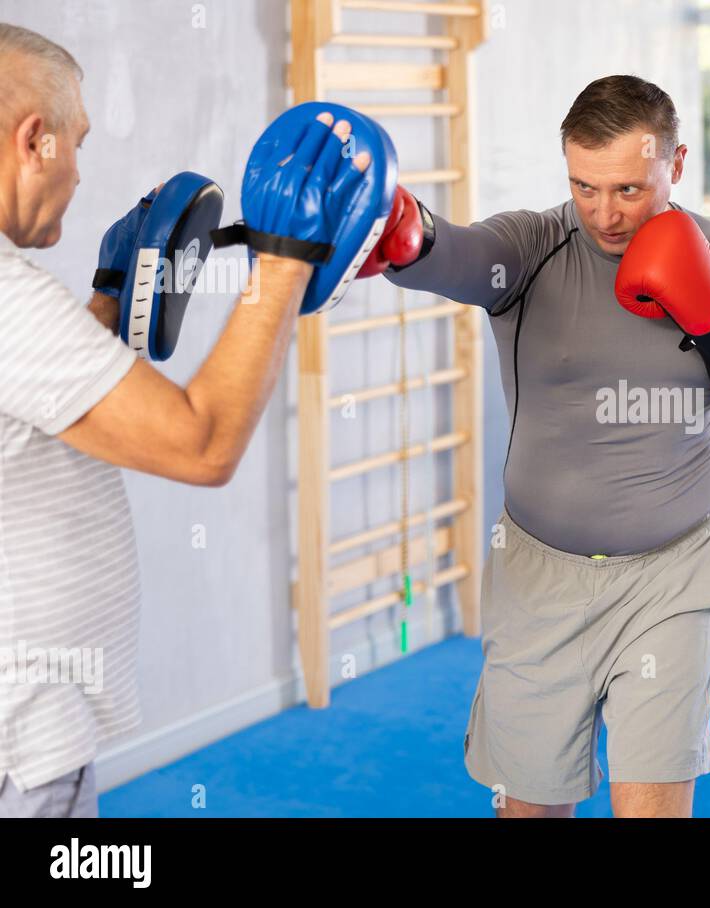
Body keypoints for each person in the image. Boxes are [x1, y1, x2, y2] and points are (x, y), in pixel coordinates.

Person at [374, 75, 710, 817]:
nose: (605, 213)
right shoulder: (532, 246)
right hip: (539, 580)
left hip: (674, 576)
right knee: (530, 809)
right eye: (585, 186)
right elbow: (457, 255)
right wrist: (396, 227)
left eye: (629, 190)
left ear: (675, 164)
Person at [0, 24, 366, 817]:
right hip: (22, 734)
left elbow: (42, 418)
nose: (79, 171)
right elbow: (202, 445)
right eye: (77, 144)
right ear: (36, 142)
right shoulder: (7, 300)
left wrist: (108, 295)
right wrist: (285, 258)